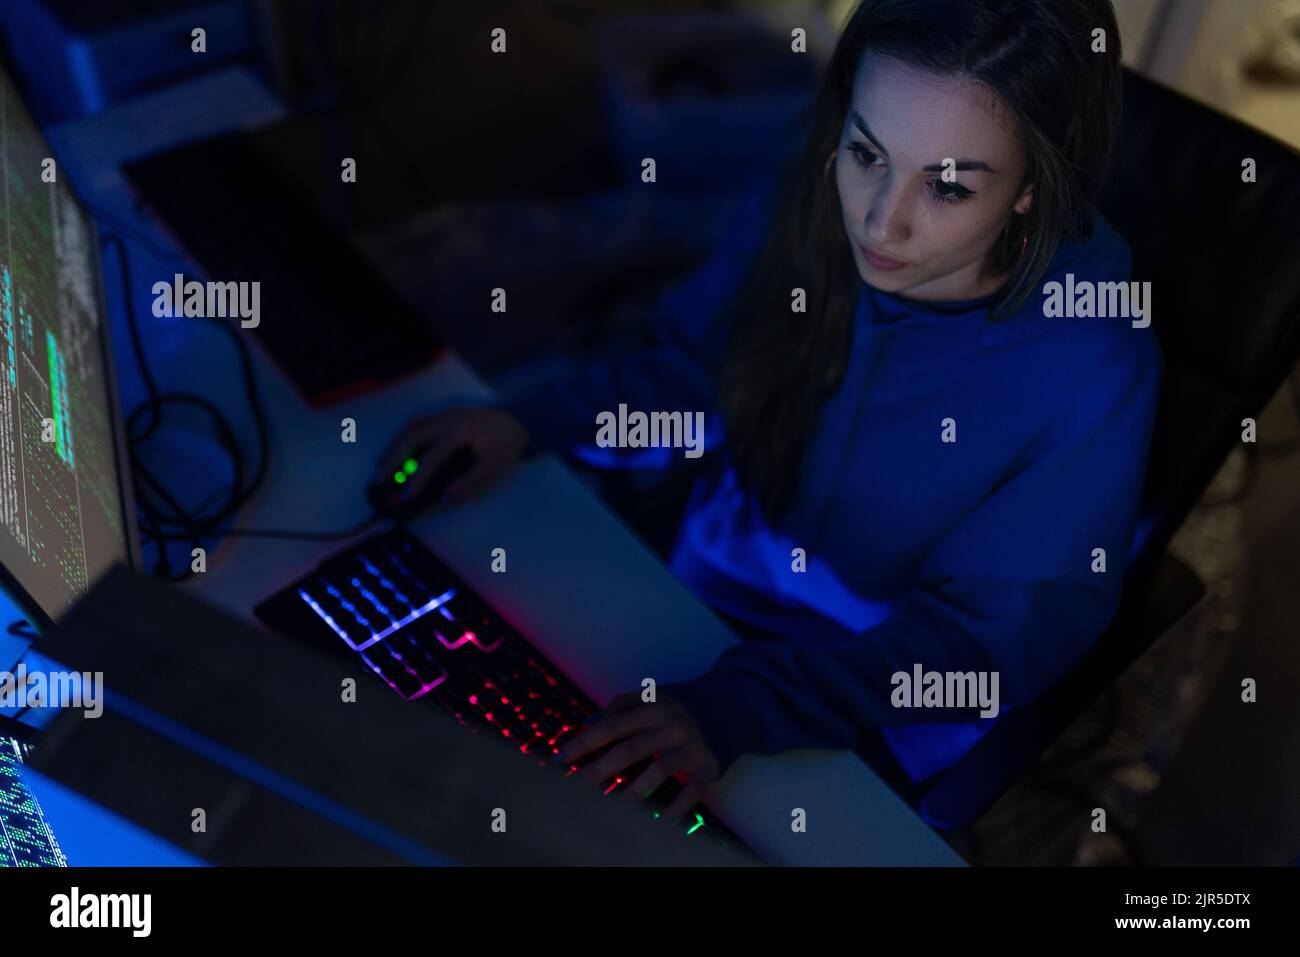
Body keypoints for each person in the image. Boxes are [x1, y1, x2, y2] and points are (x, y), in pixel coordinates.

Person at [379, 0, 1162, 823]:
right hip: (704, 591)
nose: (878, 220)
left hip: (874, 709)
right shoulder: (817, 177)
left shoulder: (1094, 362)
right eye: (867, 152)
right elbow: (700, 375)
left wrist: (741, 707)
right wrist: (537, 422)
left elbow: (982, 643)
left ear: (1036, 186)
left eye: (949, 186)